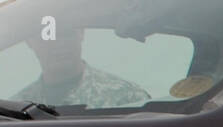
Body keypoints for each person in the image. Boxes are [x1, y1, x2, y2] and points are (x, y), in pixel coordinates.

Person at [17, 27, 151, 107]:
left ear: (81, 32)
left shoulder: (127, 97)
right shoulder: (16, 109)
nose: (59, 43)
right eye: (47, 36)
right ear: (29, 41)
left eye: (66, 33)